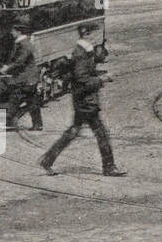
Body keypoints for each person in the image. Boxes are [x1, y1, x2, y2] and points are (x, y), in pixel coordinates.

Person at [39, 24, 124, 176]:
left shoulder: (83, 52)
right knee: (101, 133)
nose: (94, 38)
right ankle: (109, 167)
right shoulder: (81, 54)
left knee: (73, 131)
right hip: (86, 101)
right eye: (92, 35)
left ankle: (48, 160)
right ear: (86, 35)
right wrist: (102, 79)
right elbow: (82, 80)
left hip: (82, 100)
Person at [0, 18, 42, 131]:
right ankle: (38, 124)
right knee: (32, 101)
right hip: (29, 78)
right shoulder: (23, 43)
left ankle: (10, 123)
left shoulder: (24, 44)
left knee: (14, 99)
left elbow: (20, 61)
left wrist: (7, 68)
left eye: (13, 31)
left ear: (19, 31)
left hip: (25, 78)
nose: (11, 33)